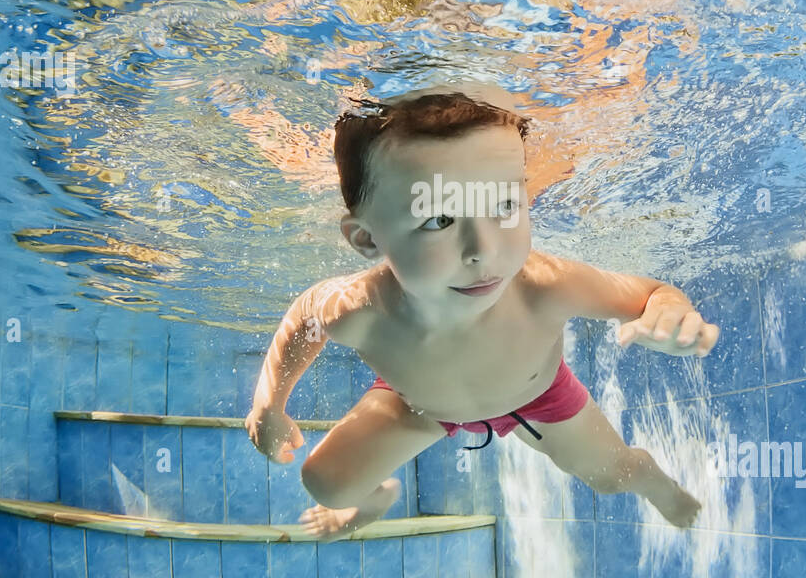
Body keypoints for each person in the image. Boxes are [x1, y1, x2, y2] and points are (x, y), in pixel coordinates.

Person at [244, 85, 718, 541]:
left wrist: (670, 312)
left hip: (539, 396)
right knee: (326, 483)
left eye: (505, 206)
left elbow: (652, 293)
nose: (484, 250)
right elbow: (305, 318)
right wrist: (269, 404)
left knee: (613, 476)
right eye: (440, 220)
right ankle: (371, 502)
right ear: (367, 240)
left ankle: (655, 481)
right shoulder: (362, 310)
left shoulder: (545, 284)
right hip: (419, 402)